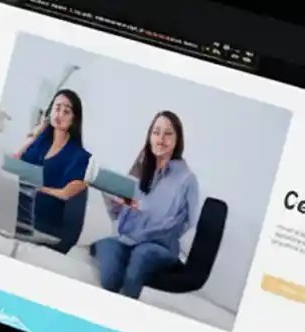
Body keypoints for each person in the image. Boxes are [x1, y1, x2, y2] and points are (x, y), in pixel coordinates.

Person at [91, 110, 201, 298]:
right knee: (110, 278)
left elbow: (190, 222)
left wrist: (144, 210)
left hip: (159, 247)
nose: (161, 138)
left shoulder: (187, 179)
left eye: (168, 133)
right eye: (156, 132)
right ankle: (102, 249)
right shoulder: (141, 170)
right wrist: (115, 202)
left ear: (177, 140)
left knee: (142, 255)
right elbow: (120, 217)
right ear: (149, 136)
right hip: (127, 240)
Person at [12, 89, 92, 253]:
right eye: (57, 108)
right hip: (21, 213)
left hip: (47, 223)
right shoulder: (39, 142)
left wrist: (37, 188)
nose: (60, 114)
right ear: (50, 111)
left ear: (74, 119)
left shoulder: (80, 157)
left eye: (66, 111)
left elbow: (66, 194)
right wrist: (34, 135)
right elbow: (13, 165)